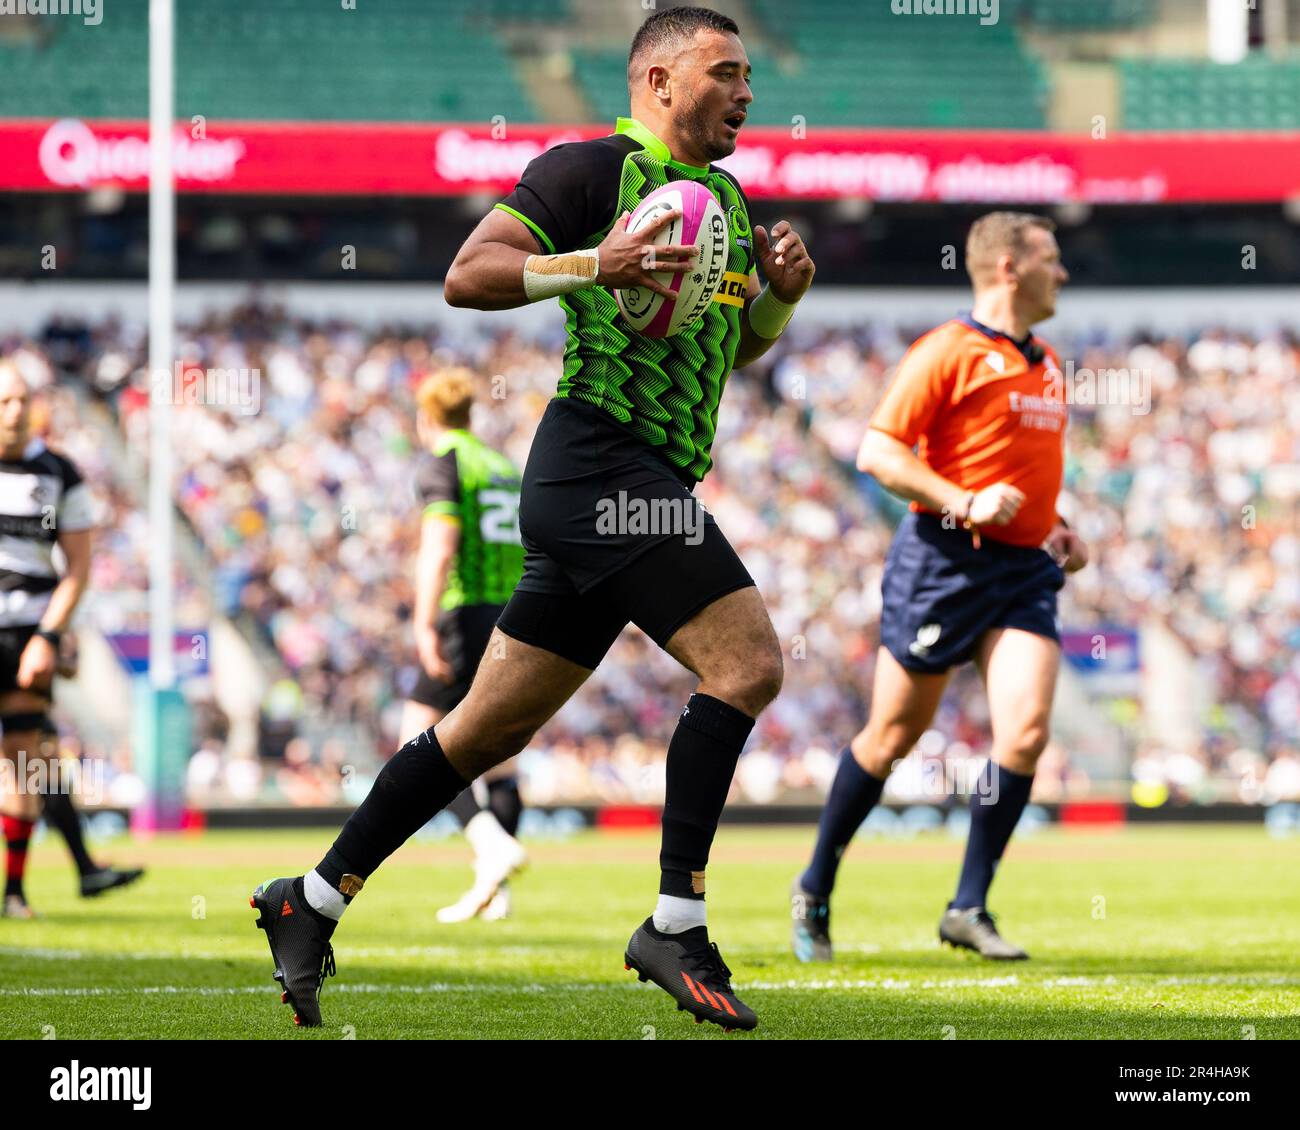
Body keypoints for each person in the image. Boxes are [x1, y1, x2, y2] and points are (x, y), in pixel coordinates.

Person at [250, 5, 813, 1031]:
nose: (746, 92)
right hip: (600, 467)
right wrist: (594, 263)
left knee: (482, 729)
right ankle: (675, 923)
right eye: (725, 72)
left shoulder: (729, 201)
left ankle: (311, 898)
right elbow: (466, 275)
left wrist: (774, 303)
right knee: (746, 665)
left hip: (631, 482)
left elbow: (724, 350)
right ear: (658, 81)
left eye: (747, 75)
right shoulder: (590, 171)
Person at [791, 212, 1087, 962]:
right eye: (1052, 259)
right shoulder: (946, 350)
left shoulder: (1048, 362)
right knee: (892, 737)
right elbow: (878, 452)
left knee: (1026, 734)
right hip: (943, 561)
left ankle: (968, 906)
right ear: (1010, 268)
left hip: (1024, 570)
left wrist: (1057, 525)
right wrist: (965, 501)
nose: (1064, 272)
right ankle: (815, 883)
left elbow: (1021, 469)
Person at [0, 362, 142, 918]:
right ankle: (84, 868)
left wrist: (51, 636)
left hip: (24, 637)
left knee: (25, 761)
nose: (15, 412)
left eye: (22, 400)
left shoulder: (59, 472)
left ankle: (15, 893)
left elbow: (78, 567)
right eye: (4, 402)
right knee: (40, 759)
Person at [397, 367, 527, 924]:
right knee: (499, 757)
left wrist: (423, 621)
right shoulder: (501, 466)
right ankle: (495, 891)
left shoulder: (444, 462)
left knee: (416, 742)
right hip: (513, 614)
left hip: (465, 612)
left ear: (425, 417)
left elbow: (441, 543)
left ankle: (488, 843)